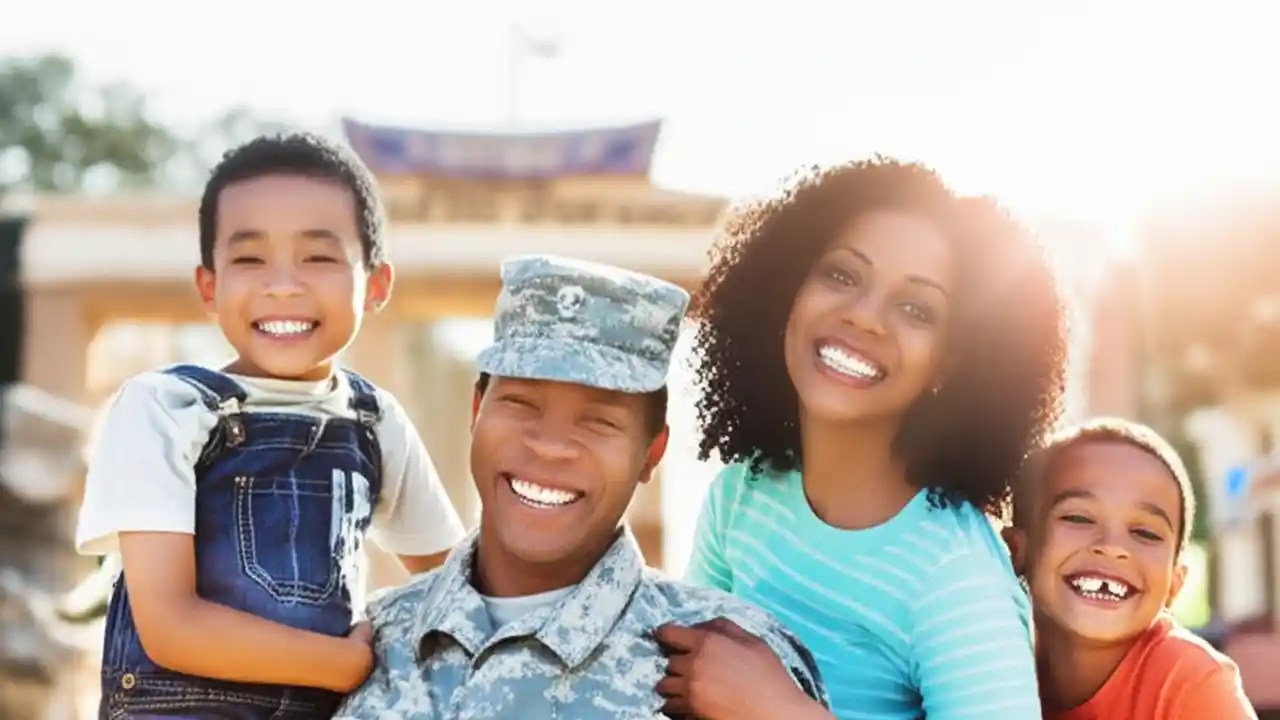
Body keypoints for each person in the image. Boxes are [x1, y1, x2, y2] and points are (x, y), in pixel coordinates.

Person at [75, 132, 465, 718]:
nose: (283, 285)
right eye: (250, 259)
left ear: (376, 284)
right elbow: (170, 625)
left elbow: (458, 589)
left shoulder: (375, 421)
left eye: (319, 257)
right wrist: (345, 665)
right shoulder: (166, 409)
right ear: (210, 286)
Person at [335, 254, 827, 719]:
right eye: (521, 403)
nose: (550, 447)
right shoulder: (368, 642)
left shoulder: (733, 666)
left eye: (599, 421)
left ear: (651, 454)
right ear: (477, 410)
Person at [662, 159, 1068, 718]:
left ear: (950, 362)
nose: (866, 318)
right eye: (842, 275)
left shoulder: (955, 571)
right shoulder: (740, 496)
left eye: (916, 309)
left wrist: (777, 708)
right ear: (788, 291)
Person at [1005, 418, 1257, 719]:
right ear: (1015, 549)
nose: (1112, 547)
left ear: (1174, 584)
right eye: (1078, 518)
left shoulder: (1192, 683)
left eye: (1145, 533)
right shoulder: (990, 664)